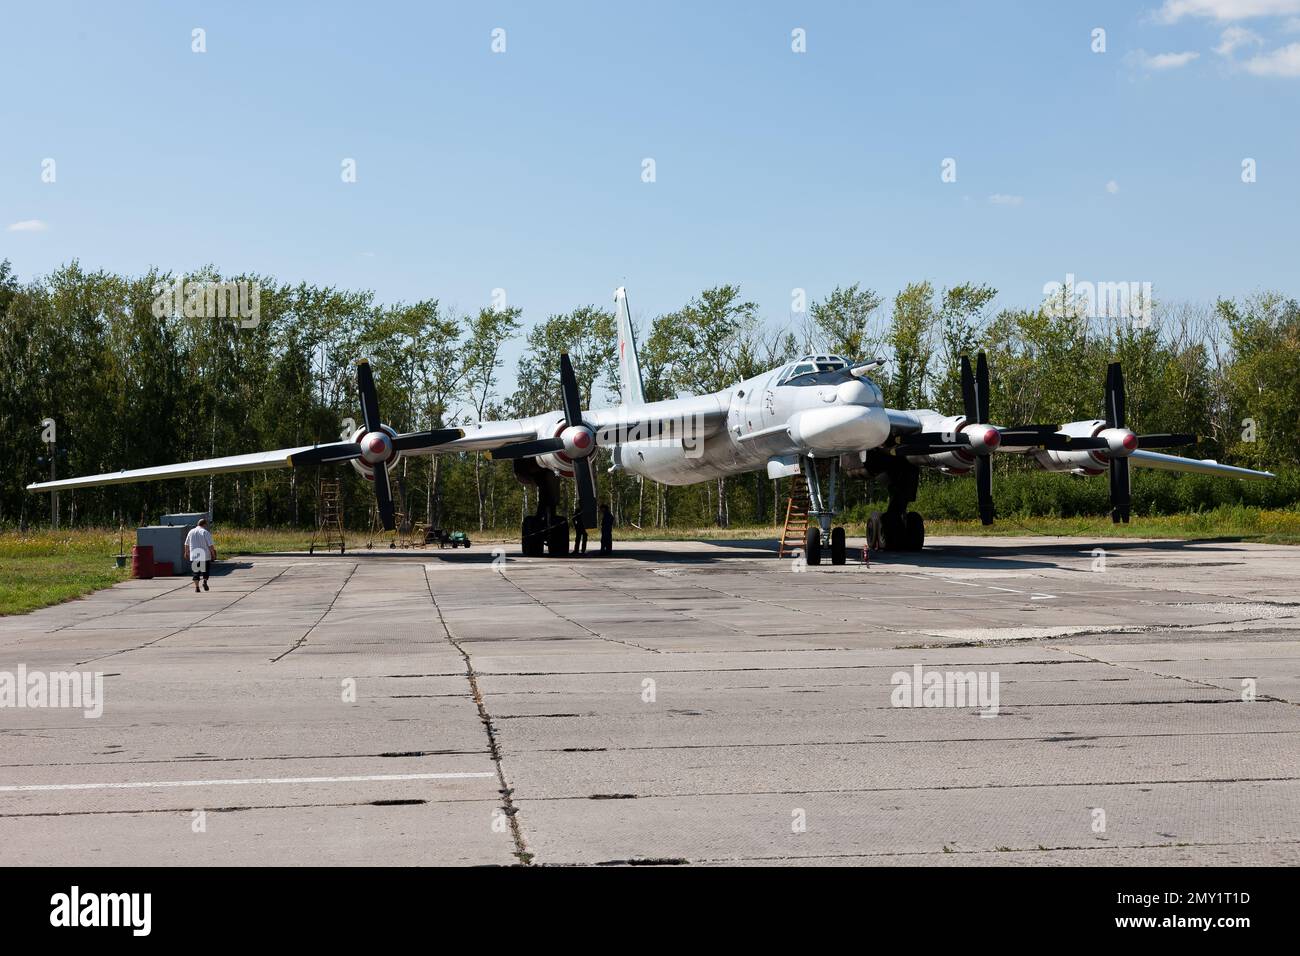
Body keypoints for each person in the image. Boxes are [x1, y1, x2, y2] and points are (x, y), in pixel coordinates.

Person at [183, 518, 217, 593]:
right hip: (204, 555)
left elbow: (186, 544)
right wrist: (213, 554)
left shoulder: (191, 532)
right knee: (205, 571)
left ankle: (197, 587)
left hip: (194, 554)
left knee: (196, 572)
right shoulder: (205, 532)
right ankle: (204, 581)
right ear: (204, 524)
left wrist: (186, 552)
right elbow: (210, 545)